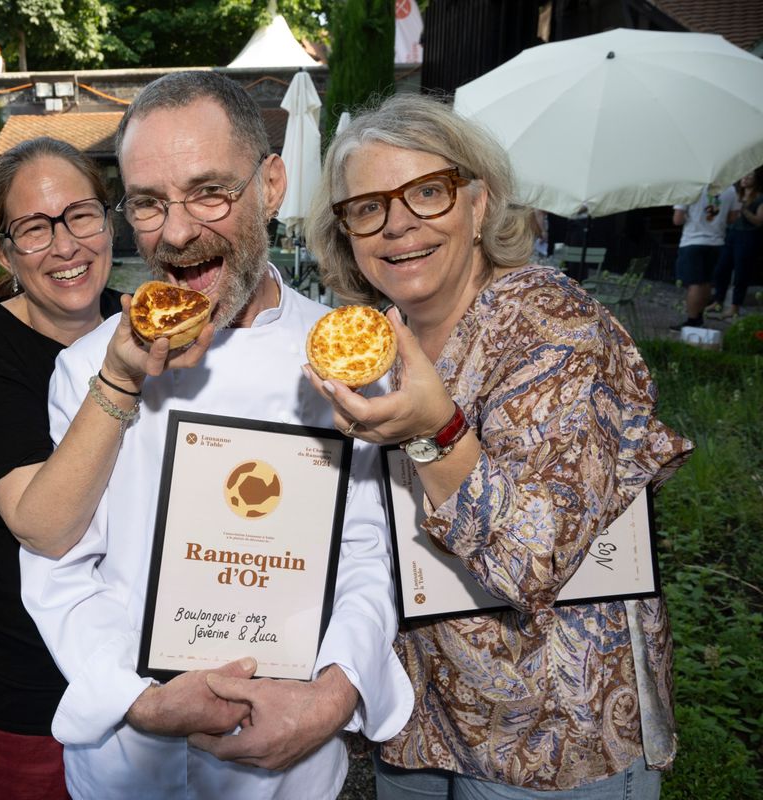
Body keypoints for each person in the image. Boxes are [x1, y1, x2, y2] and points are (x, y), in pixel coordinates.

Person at [19, 70, 413, 800]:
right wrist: (137, 697)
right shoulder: (85, 369)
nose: (174, 233)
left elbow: (367, 552)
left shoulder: (341, 357)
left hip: (289, 767)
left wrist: (330, 698)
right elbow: (61, 568)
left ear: (270, 184)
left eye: (209, 193)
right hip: (128, 766)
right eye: (147, 203)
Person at [306, 93, 693, 798]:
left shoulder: (559, 331)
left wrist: (436, 432)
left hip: (547, 741)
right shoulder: (367, 348)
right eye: (367, 207)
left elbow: (534, 560)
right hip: (415, 718)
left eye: (427, 192)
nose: (397, 224)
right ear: (347, 234)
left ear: (479, 205)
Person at [0, 136, 196, 798]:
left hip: (142, 671)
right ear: (3, 252)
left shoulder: (139, 319)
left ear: (107, 220)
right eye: (34, 228)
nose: (66, 246)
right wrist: (117, 380)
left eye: (81, 215)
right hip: (27, 687)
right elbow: (44, 526)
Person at [670, 181, 740, 330]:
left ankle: (692, 320)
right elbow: (733, 217)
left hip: (692, 241)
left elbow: (677, 219)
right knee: (706, 281)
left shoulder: (689, 187)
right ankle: (699, 316)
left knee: (694, 283)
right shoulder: (730, 189)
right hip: (716, 242)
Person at [710, 166, 763, 321]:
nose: (745, 178)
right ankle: (718, 301)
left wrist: (744, 210)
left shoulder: (759, 197)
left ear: (756, 179)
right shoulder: (734, 194)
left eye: (750, 176)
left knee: (741, 272)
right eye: (744, 176)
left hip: (747, 236)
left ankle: (734, 306)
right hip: (731, 234)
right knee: (721, 268)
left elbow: (759, 221)